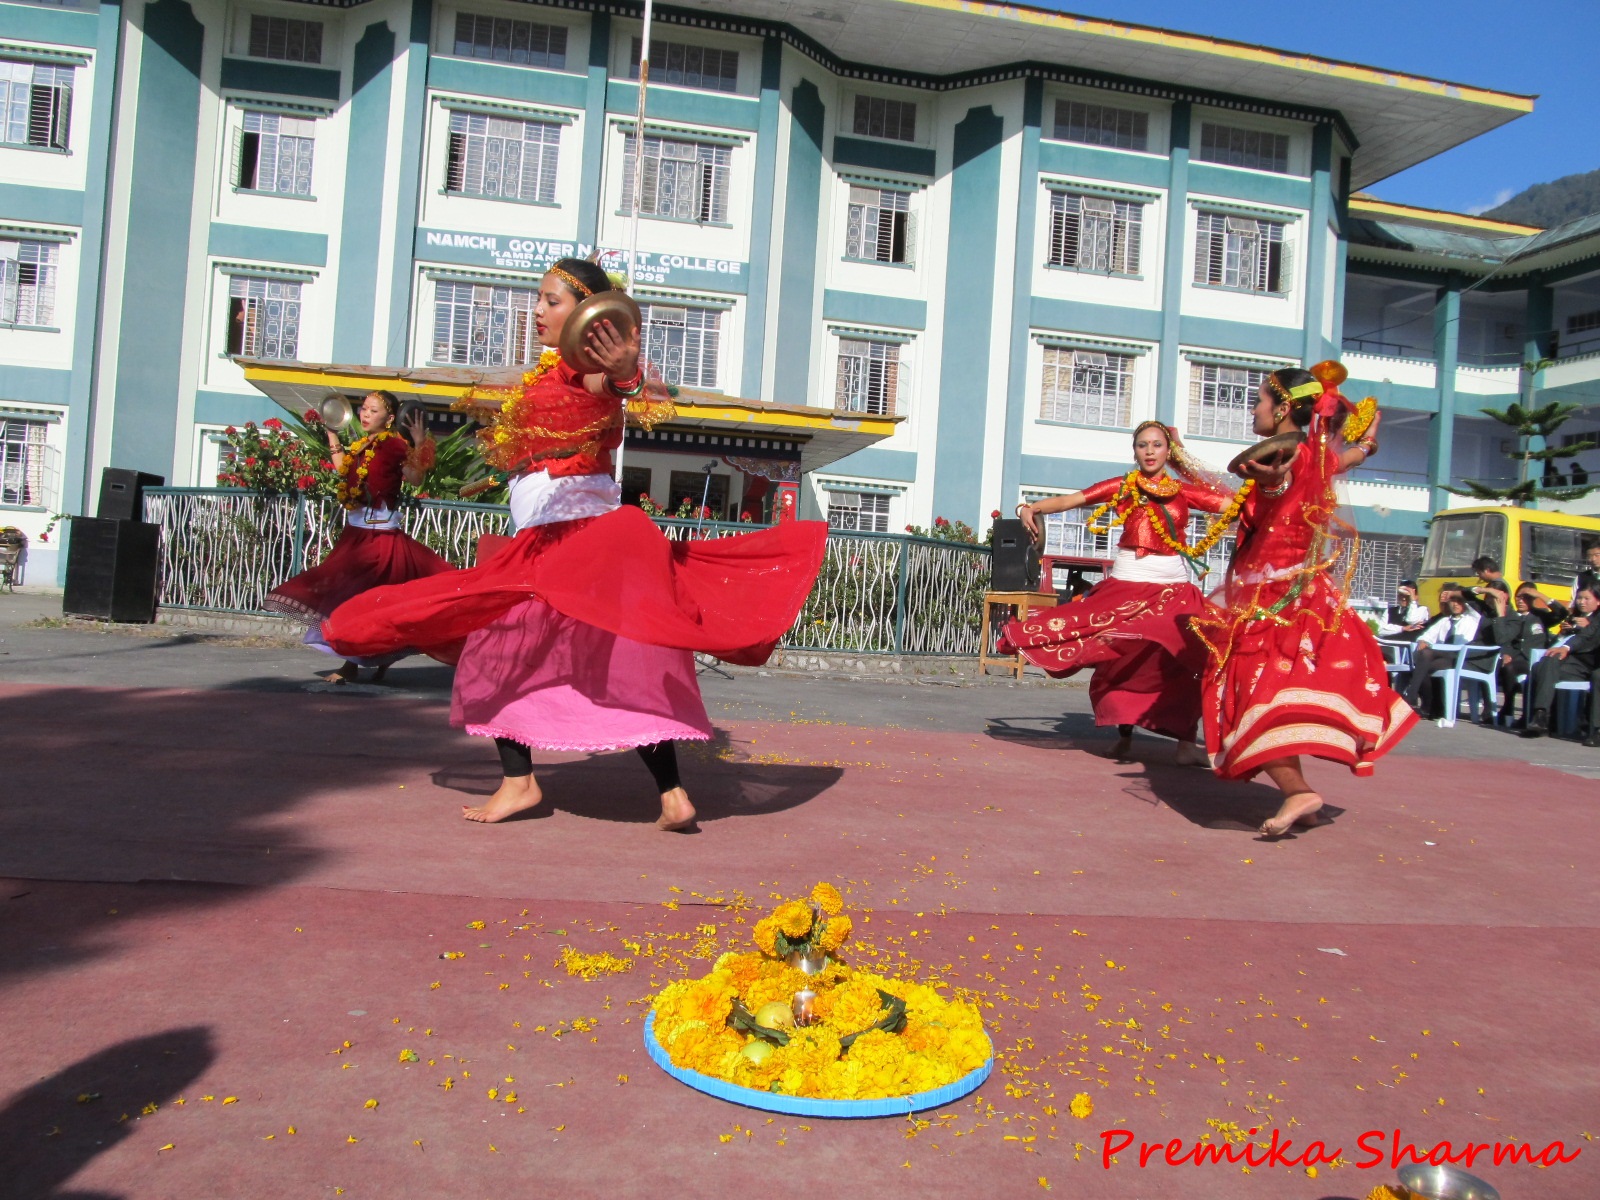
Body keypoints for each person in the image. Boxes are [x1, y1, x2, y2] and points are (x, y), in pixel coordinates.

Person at [321, 259, 827, 829]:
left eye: (551, 301)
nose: (537, 310)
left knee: (498, 648)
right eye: (537, 299)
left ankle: (520, 784)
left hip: (569, 540)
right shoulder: (546, 373)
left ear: (587, 317)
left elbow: (612, 385)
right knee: (622, 656)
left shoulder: (578, 368)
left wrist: (627, 372)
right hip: (559, 538)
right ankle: (670, 795)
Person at [1192, 362, 1417, 836]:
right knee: (1261, 693)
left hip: (1277, 599)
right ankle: (1301, 796)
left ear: (1283, 408)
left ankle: (1298, 793)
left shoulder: (1286, 459)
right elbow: (1350, 457)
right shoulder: (1316, 455)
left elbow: (1278, 483)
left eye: (1259, 400)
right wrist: (1368, 442)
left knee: (1250, 693)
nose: (1253, 408)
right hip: (1292, 593)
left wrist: (1266, 479)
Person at [1005, 422, 1247, 765]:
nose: (1149, 451)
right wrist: (1030, 508)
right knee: (1119, 654)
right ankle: (1125, 734)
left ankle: (1185, 743)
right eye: (1143, 445)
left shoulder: (1182, 490)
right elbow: (1073, 499)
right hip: (1128, 582)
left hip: (1173, 586)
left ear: (1168, 451)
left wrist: (1275, 491)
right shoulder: (1122, 486)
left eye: (1158, 445)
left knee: (1188, 656)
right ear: (1134, 451)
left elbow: (1235, 505)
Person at [264, 392, 452, 683]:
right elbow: (343, 468)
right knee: (355, 598)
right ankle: (369, 660)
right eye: (363, 408)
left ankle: (351, 664)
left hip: (380, 541)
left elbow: (415, 478)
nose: (365, 414)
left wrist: (417, 441)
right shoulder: (363, 444)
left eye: (373, 410)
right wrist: (331, 433)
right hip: (357, 535)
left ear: (389, 419)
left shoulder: (393, 445)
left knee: (359, 601)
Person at [1400, 585, 1499, 720]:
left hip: (1462, 658)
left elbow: (1469, 596)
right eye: (1452, 601)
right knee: (1425, 658)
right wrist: (1423, 640)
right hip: (1444, 659)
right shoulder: (1444, 621)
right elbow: (1426, 636)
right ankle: (1425, 702)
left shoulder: (1473, 618)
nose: (1455, 604)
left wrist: (1455, 592)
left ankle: (1415, 696)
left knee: (1426, 658)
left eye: (1459, 601)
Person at [1519, 583, 1600, 741]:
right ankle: (1540, 716)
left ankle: (1596, 730)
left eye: (1586, 598)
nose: (1581, 602)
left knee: (1598, 676)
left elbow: (1590, 634)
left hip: (1595, 663)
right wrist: (1565, 644)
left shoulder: (1593, 620)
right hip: (1579, 664)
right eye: (1579, 598)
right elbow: (1584, 637)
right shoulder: (1577, 617)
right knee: (1547, 661)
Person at [1494, 586, 1549, 726]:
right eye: (1518, 597)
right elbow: (1502, 638)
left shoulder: (1541, 616)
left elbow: (1561, 612)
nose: (1521, 601)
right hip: (1516, 658)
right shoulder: (1510, 616)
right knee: (1508, 668)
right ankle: (1508, 705)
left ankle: (1524, 714)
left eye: (1526, 598)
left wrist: (1540, 595)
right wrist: (1505, 653)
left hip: (1534, 659)